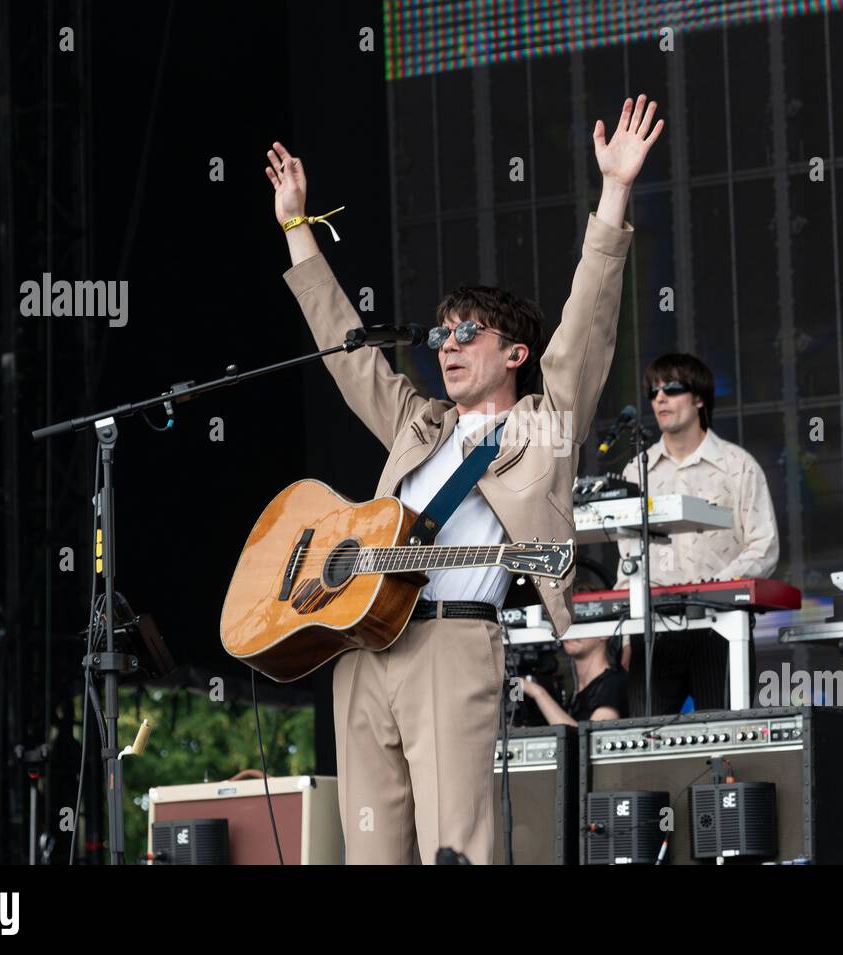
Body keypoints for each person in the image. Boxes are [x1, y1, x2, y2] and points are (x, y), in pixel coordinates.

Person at [264, 95, 663, 864]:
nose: (447, 346)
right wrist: (297, 231)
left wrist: (613, 193)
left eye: (467, 334)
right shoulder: (420, 421)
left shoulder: (543, 425)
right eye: (441, 333)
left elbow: (586, 321)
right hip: (360, 642)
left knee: (458, 850)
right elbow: (346, 354)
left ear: (516, 354)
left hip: (450, 644)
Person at [614, 353, 779, 713]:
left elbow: (763, 546)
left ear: (699, 398)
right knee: (646, 749)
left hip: (720, 628)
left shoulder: (738, 466)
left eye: (672, 388)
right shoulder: (636, 472)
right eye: (653, 392)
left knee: (725, 747)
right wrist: (628, 634)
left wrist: (711, 592)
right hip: (653, 631)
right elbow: (629, 559)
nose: (660, 398)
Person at [517, 635, 628, 726]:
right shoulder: (572, 689)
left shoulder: (614, 682)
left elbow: (589, 742)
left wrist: (537, 693)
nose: (570, 633)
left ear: (604, 634)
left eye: (580, 625)